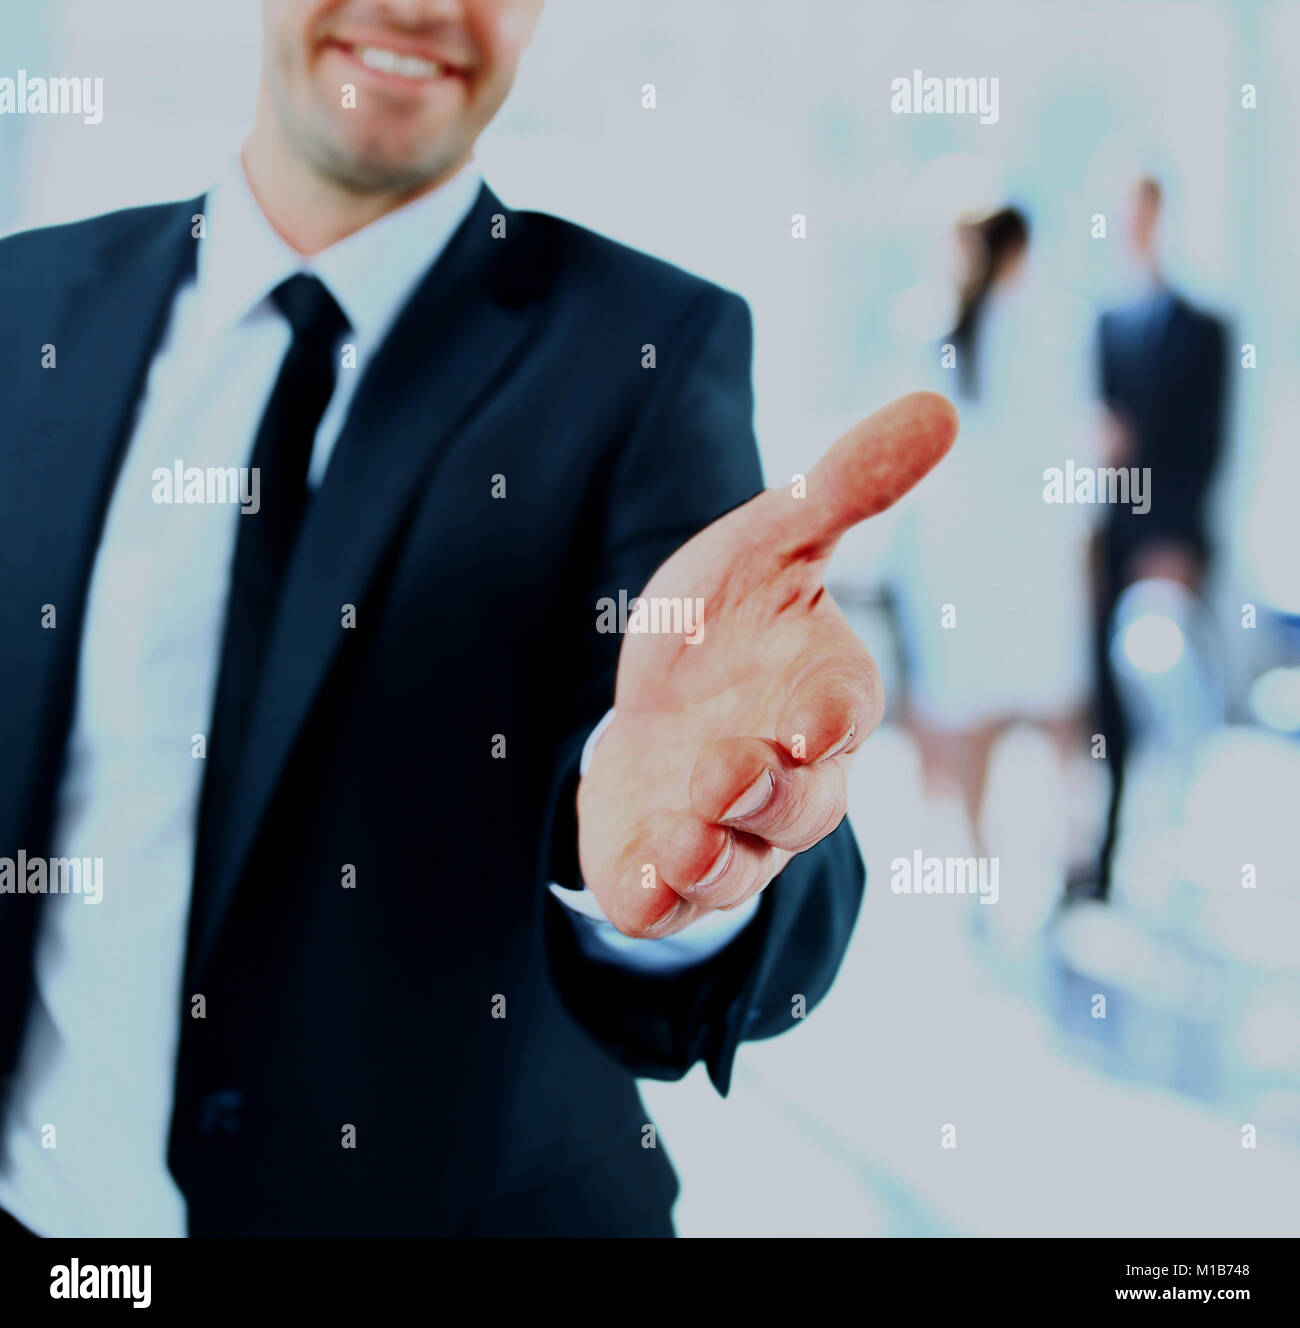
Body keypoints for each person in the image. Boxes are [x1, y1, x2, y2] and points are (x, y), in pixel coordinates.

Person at [0, 0, 956, 1236]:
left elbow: (699, 737)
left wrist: (686, 849)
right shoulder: (29, 307)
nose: (418, 8)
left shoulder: (650, 352)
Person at [895, 207, 1092, 864]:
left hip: (958, 553)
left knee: (974, 711)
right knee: (1058, 708)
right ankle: (1073, 854)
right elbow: (1076, 448)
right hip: (1034, 547)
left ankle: (981, 863)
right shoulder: (1055, 329)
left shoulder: (928, 327)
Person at [1093, 176, 1228, 896]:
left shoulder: (1202, 327)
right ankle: (1108, 860)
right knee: (1106, 711)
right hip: (1109, 540)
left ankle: (1179, 849)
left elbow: (1207, 448)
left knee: (1169, 693)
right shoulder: (1102, 324)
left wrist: (1178, 548)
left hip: (1167, 545)